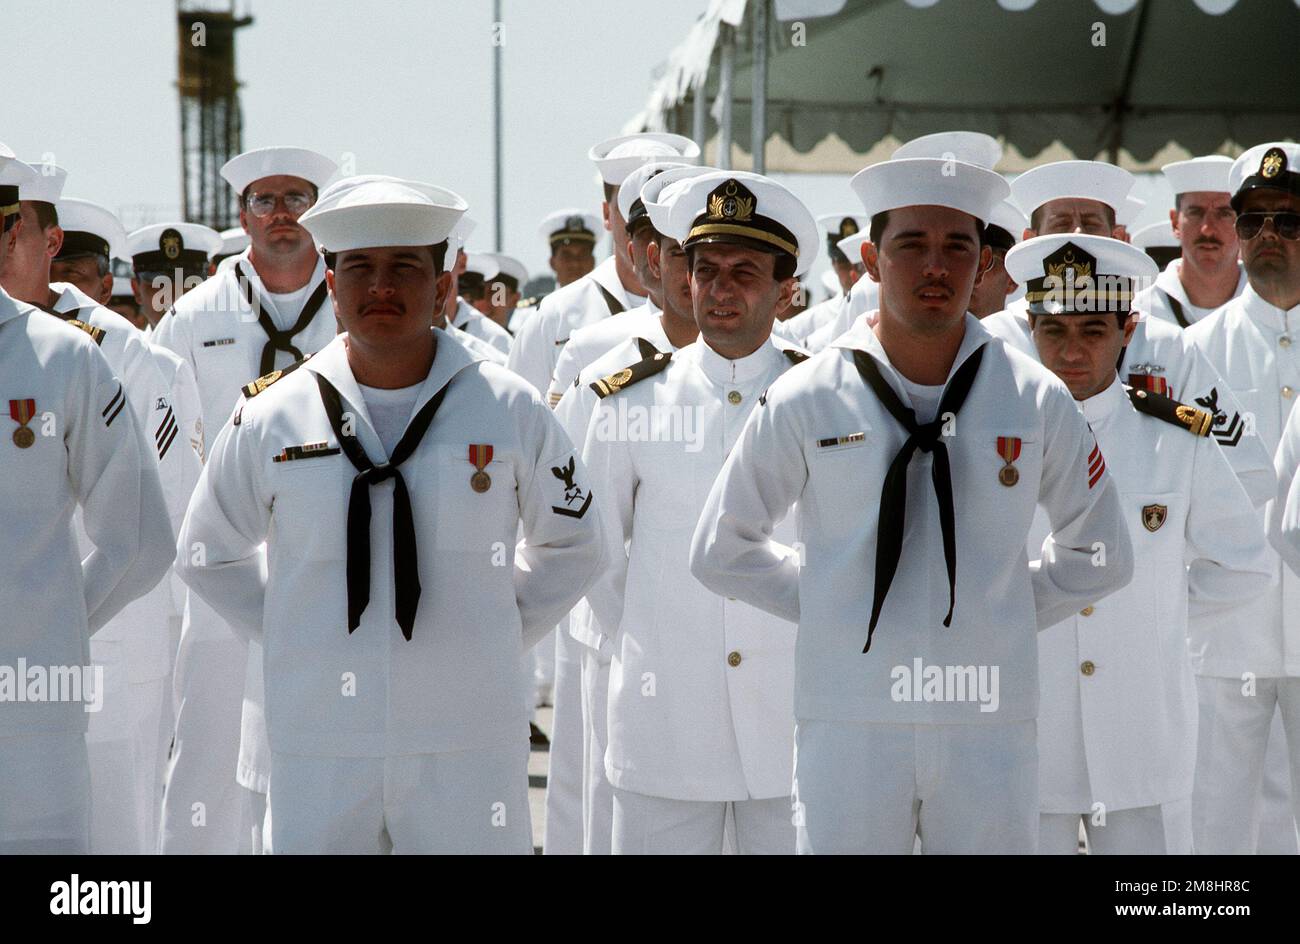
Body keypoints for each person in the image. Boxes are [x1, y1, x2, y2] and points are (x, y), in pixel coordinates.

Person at [689, 155, 1134, 854]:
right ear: (871, 257)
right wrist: (836, 598)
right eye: (911, 246)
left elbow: (1103, 554)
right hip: (849, 721)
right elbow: (722, 549)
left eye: (958, 246)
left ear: (986, 262)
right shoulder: (808, 395)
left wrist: (1003, 610)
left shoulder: (1034, 397)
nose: (936, 267)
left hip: (988, 721)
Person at [175, 176, 606, 853]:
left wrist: (490, 630)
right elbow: (207, 551)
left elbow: (576, 544)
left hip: (465, 736)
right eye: (361, 269)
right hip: (319, 737)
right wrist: (299, 630)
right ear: (331, 283)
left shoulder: (509, 407)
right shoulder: (272, 414)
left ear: (441, 285)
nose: (381, 287)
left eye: (404, 267)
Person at [1008, 233, 1272, 854]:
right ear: (1030, 328)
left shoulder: (1175, 434)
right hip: (1029, 731)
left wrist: (1156, 607)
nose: (1071, 352)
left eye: (1093, 331)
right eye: (1054, 331)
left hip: (1142, 727)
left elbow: (1243, 564)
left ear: (1128, 331)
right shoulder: (996, 437)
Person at [583, 171, 815, 854]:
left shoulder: (827, 398)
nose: (719, 288)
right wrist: (662, 638)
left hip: (792, 728)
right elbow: (599, 561)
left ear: (786, 290)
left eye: (745, 271)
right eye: (705, 268)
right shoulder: (627, 403)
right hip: (665, 727)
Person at [153, 144, 339, 855]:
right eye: (267, 200)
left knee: (313, 738)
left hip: (325, 555)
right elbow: (170, 455)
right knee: (208, 741)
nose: (282, 214)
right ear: (243, 214)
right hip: (222, 560)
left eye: (297, 199)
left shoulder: (353, 308)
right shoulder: (194, 319)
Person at [0, 143, 173, 853]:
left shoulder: (66, 357)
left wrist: (55, 624)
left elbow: (142, 541)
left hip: (28, 716)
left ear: (12, 230)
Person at [550, 165, 707, 853]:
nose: (698, 276)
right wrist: (645, 629)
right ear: (651, 259)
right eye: (682, 255)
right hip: (623, 641)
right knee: (610, 813)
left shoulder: (784, 374)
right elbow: (579, 527)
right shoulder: (601, 369)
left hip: (745, 651)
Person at [983, 159, 1277, 509]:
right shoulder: (994, 344)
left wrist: (1165, 528)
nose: (1076, 236)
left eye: (1091, 223)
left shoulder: (1167, 346)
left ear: (1120, 238)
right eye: (1061, 224)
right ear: (1029, 240)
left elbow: (1250, 474)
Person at [1183, 142, 1300, 854]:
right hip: (1227, 630)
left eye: (1288, 222)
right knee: (1214, 826)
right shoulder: (1192, 352)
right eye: (1251, 219)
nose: (1266, 236)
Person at [507, 132, 698, 399]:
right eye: (636, 210)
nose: (655, 227)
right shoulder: (557, 315)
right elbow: (519, 416)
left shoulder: (719, 312)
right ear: (607, 214)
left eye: (665, 211)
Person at [1136, 156, 1246, 329]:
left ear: (1243, 224)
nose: (1207, 229)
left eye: (1224, 214)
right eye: (1195, 212)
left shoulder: (1269, 303)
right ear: (1174, 222)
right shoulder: (1141, 309)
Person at [127, 222, 223, 331]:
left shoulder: (239, 345)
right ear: (136, 290)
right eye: (160, 285)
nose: (173, 297)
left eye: (187, 283)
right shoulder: (128, 348)